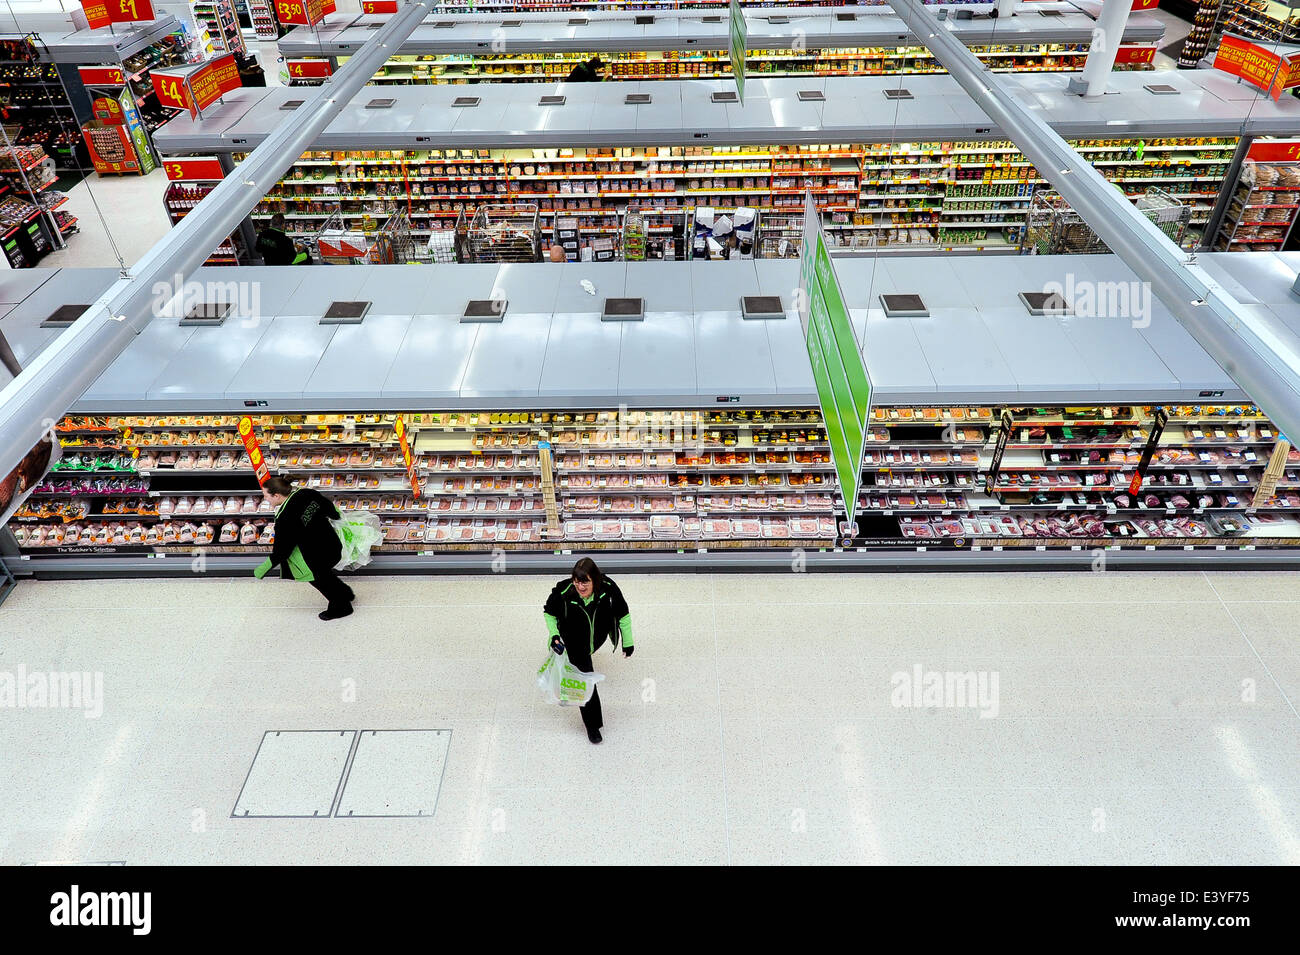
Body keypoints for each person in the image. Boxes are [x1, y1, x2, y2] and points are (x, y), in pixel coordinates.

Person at [543, 558, 633, 744]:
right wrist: (554, 636)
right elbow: (549, 614)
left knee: (585, 670)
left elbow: (623, 614)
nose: (580, 586)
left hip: (596, 638)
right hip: (574, 641)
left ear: (596, 580)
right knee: (586, 681)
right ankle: (592, 726)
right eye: (577, 581)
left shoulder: (608, 589)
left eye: (585, 582)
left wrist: (628, 642)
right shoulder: (564, 592)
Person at [253, 475, 355, 620]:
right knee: (326, 575)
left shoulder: (285, 518)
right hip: (331, 545)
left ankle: (341, 607)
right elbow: (330, 509)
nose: (265, 499)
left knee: (321, 580)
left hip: (314, 557)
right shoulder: (307, 493)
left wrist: (261, 570)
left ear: (276, 495)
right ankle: (345, 593)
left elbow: (282, 550)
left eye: (265, 496)